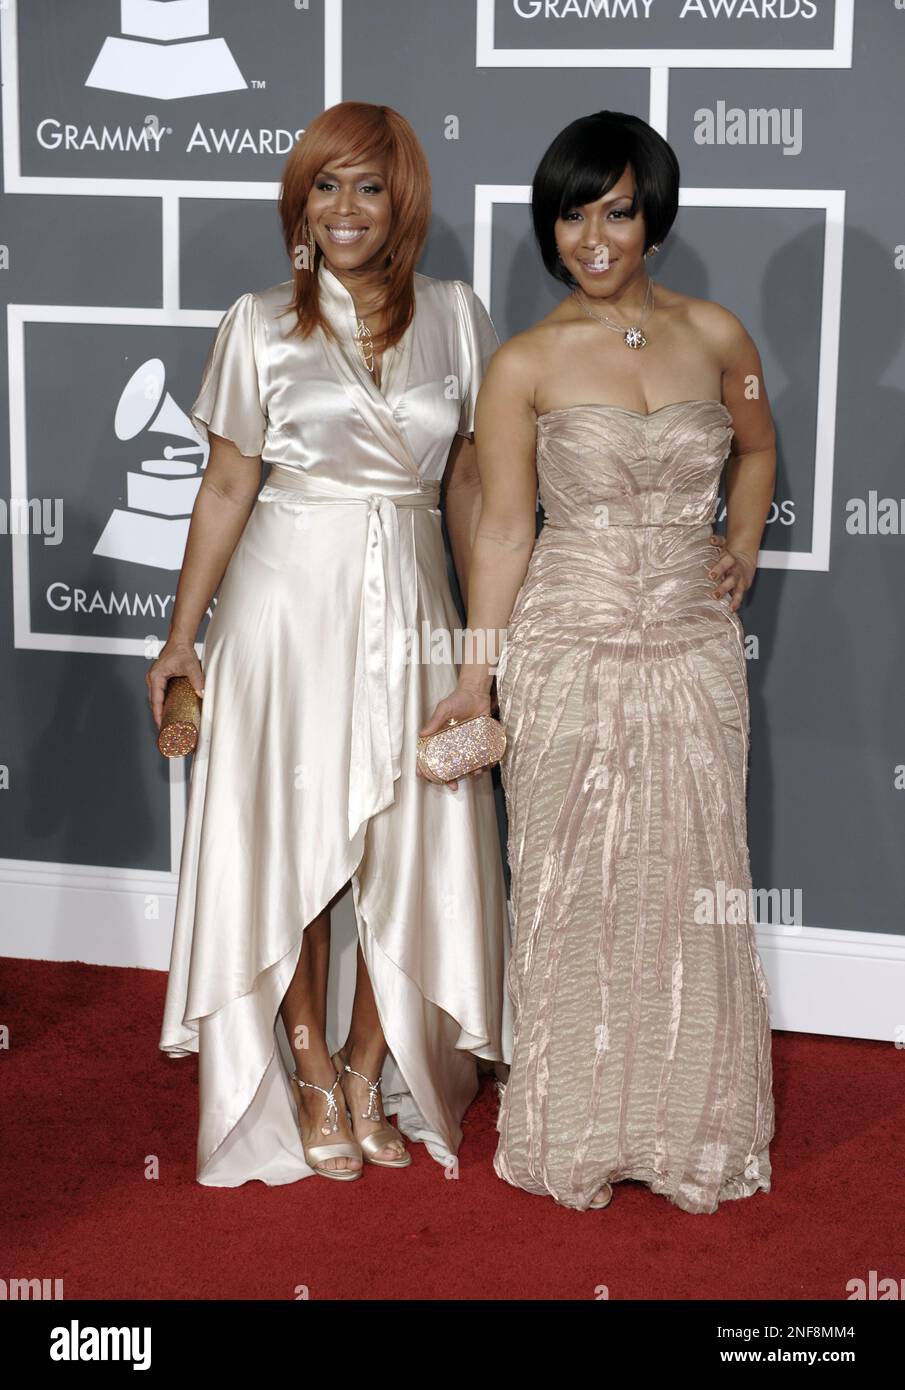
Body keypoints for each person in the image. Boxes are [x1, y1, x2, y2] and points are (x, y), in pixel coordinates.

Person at [420, 110, 777, 1214]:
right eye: (570, 214)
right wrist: (479, 672)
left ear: (651, 217)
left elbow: (756, 447)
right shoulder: (521, 362)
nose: (591, 236)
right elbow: (499, 528)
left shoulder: (718, 339)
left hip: (690, 648)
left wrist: (741, 543)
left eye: (614, 210)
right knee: (570, 886)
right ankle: (575, 1120)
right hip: (565, 645)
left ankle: (689, 1125)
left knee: (690, 877)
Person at [150, 101, 507, 1186]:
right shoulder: (257, 322)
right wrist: (179, 641)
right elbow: (224, 486)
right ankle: (305, 1060)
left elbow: (470, 495)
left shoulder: (456, 315)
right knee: (293, 842)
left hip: (411, 607)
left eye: (366, 185)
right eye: (323, 186)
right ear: (297, 206)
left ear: (403, 201)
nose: (344, 208)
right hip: (282, 605)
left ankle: (368, 1065)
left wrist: (474, 649)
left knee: (407, 840)